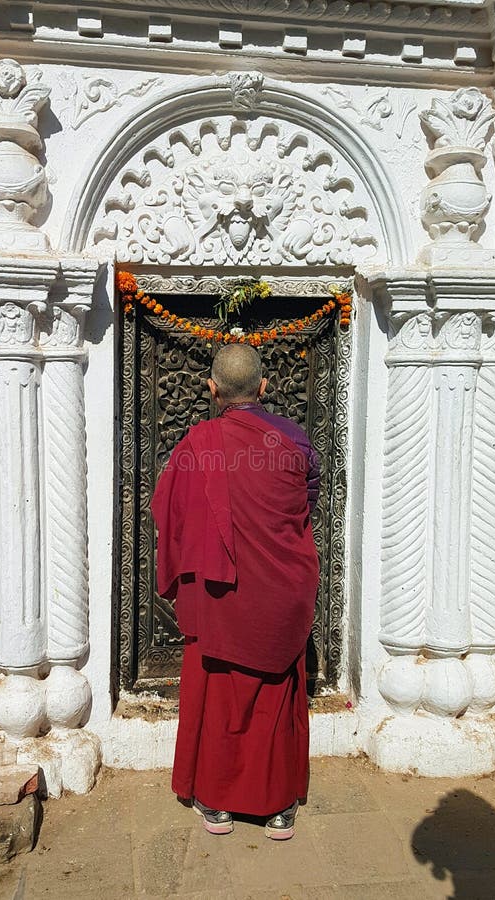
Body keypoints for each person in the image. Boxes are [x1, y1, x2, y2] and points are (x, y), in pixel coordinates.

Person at [151, 343, 320, 840]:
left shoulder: (195, 443)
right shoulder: (294, 440)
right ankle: (277, 808)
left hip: (220, 595)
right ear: (264, 388)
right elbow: (308, 500)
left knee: (220, 689)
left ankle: (217, 802)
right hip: (279, 588)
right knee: (273, 692)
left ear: (212, 389)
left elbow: (168, 511)